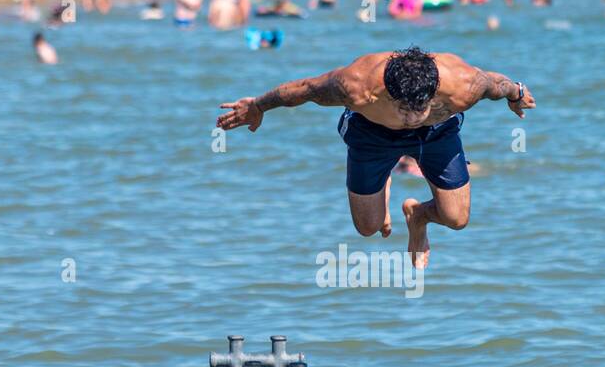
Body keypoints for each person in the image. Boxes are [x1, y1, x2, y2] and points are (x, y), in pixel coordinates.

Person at [217, 46, 535, 268]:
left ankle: (418, 216)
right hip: (372, 135)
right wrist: (257, 106)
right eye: (403, 110)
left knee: (457, 219)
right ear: (385, 93)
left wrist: (517, 93)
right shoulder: (356, 86)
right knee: (368, 227)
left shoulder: (463, 85)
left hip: (437, 133)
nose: (412, 118)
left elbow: (498, 85)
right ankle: (384, 180)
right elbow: (306, 88)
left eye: (420, 109)